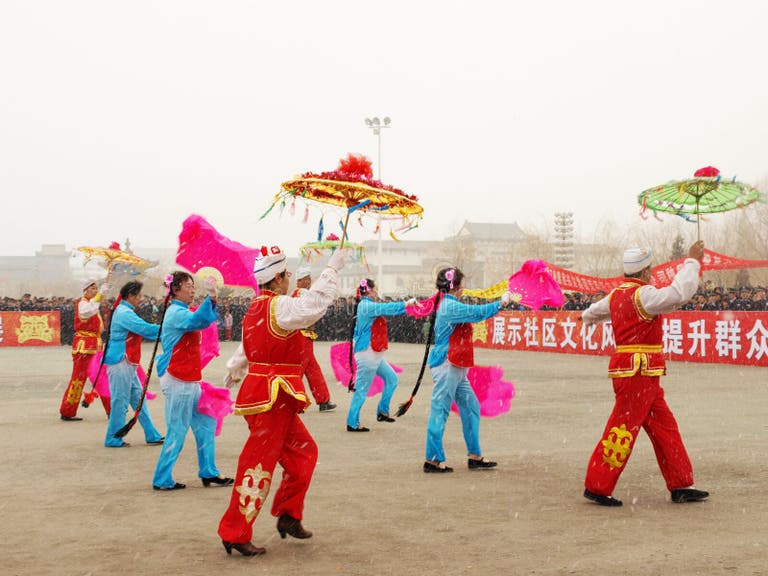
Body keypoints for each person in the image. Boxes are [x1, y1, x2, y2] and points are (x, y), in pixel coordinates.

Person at [217, 246, 349, 556]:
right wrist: (332, 269)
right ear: (276, 279)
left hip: (274, 395)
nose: (288, 279)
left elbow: (245, 349)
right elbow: (315, 305)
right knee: (257, 465)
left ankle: (289, 514)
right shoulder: (278, 307)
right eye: (286, 274)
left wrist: (234, 371)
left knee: (303, 453)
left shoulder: (258, 308)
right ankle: (234, 532)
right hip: (271, 397)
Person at [580, 241, 709, 506]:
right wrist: (692, 262)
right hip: (639, 373)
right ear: (644, 272)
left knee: (664, 427)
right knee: (622, 427)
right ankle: (597, 484)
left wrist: (586, 318)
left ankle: (681, 483)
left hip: (637, 372)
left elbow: (594, 311)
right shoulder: (645, 295)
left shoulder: (616, 295)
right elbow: (677, 294)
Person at [421, 267, 513, 472]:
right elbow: (476, 313)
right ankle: (432, 459)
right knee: (440, 410)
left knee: (471, 407)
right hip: (448, 364)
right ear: (455, 285)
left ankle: (474, 455)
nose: (464, 287)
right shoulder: (450, 307)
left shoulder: (449, 304)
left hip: (455, 364)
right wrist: (502, 302)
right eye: (462, 283)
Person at [151, 271, 232, 491]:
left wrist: (211, 300)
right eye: (188, 285)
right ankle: (162, 478)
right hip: (180, 379)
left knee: (206, 424)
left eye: (193, 285)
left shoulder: (181, 310)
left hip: (188, 378)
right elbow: (199, 321)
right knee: (177, 429)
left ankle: (209, 471)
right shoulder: (177, 313)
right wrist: (212, 298)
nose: (193, 289)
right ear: (175, 290)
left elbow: (201, 320)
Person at [103, 280, 165, 448]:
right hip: (120, 360)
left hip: (126, 361)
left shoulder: (124, 310)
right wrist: (168, 328)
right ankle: (113, 437)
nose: (141, 298)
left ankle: (151, 434)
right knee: (120, 401)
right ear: (130, 296)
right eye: (138, 295)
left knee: (138, 399)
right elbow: (144, 329)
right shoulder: (124, 313)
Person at [346, 278, 411, 432]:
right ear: (369, 290)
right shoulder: (366, 305)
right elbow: (386, 308)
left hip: (373, 354)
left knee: (392, 379)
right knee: (361, 390)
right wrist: (405, 304)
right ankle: (352, 423)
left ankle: (382, 411)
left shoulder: (366, 305)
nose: (377, 292)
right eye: (375, 289)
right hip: (367, 355)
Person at [59, 278, 108, 421]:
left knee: (101, 378)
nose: (96, 291)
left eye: (97, 288)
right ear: (85, 290)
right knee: (79, 379)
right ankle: (67, 410)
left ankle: (111, 410)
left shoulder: (91, 303)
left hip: (94, 344)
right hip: (85, 346)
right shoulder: (83, 303)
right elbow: (87, 312)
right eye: (93, 288)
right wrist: (100, 295)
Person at [291, 266, 336, 412]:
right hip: (300, 336)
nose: (310, 282)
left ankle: (323, 400)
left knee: (312, 370)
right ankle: (295, 402)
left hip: (305, 336)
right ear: (302, 281)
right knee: (300, 369)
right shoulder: (300, 294)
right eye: (308, 279)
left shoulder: (300, 293)